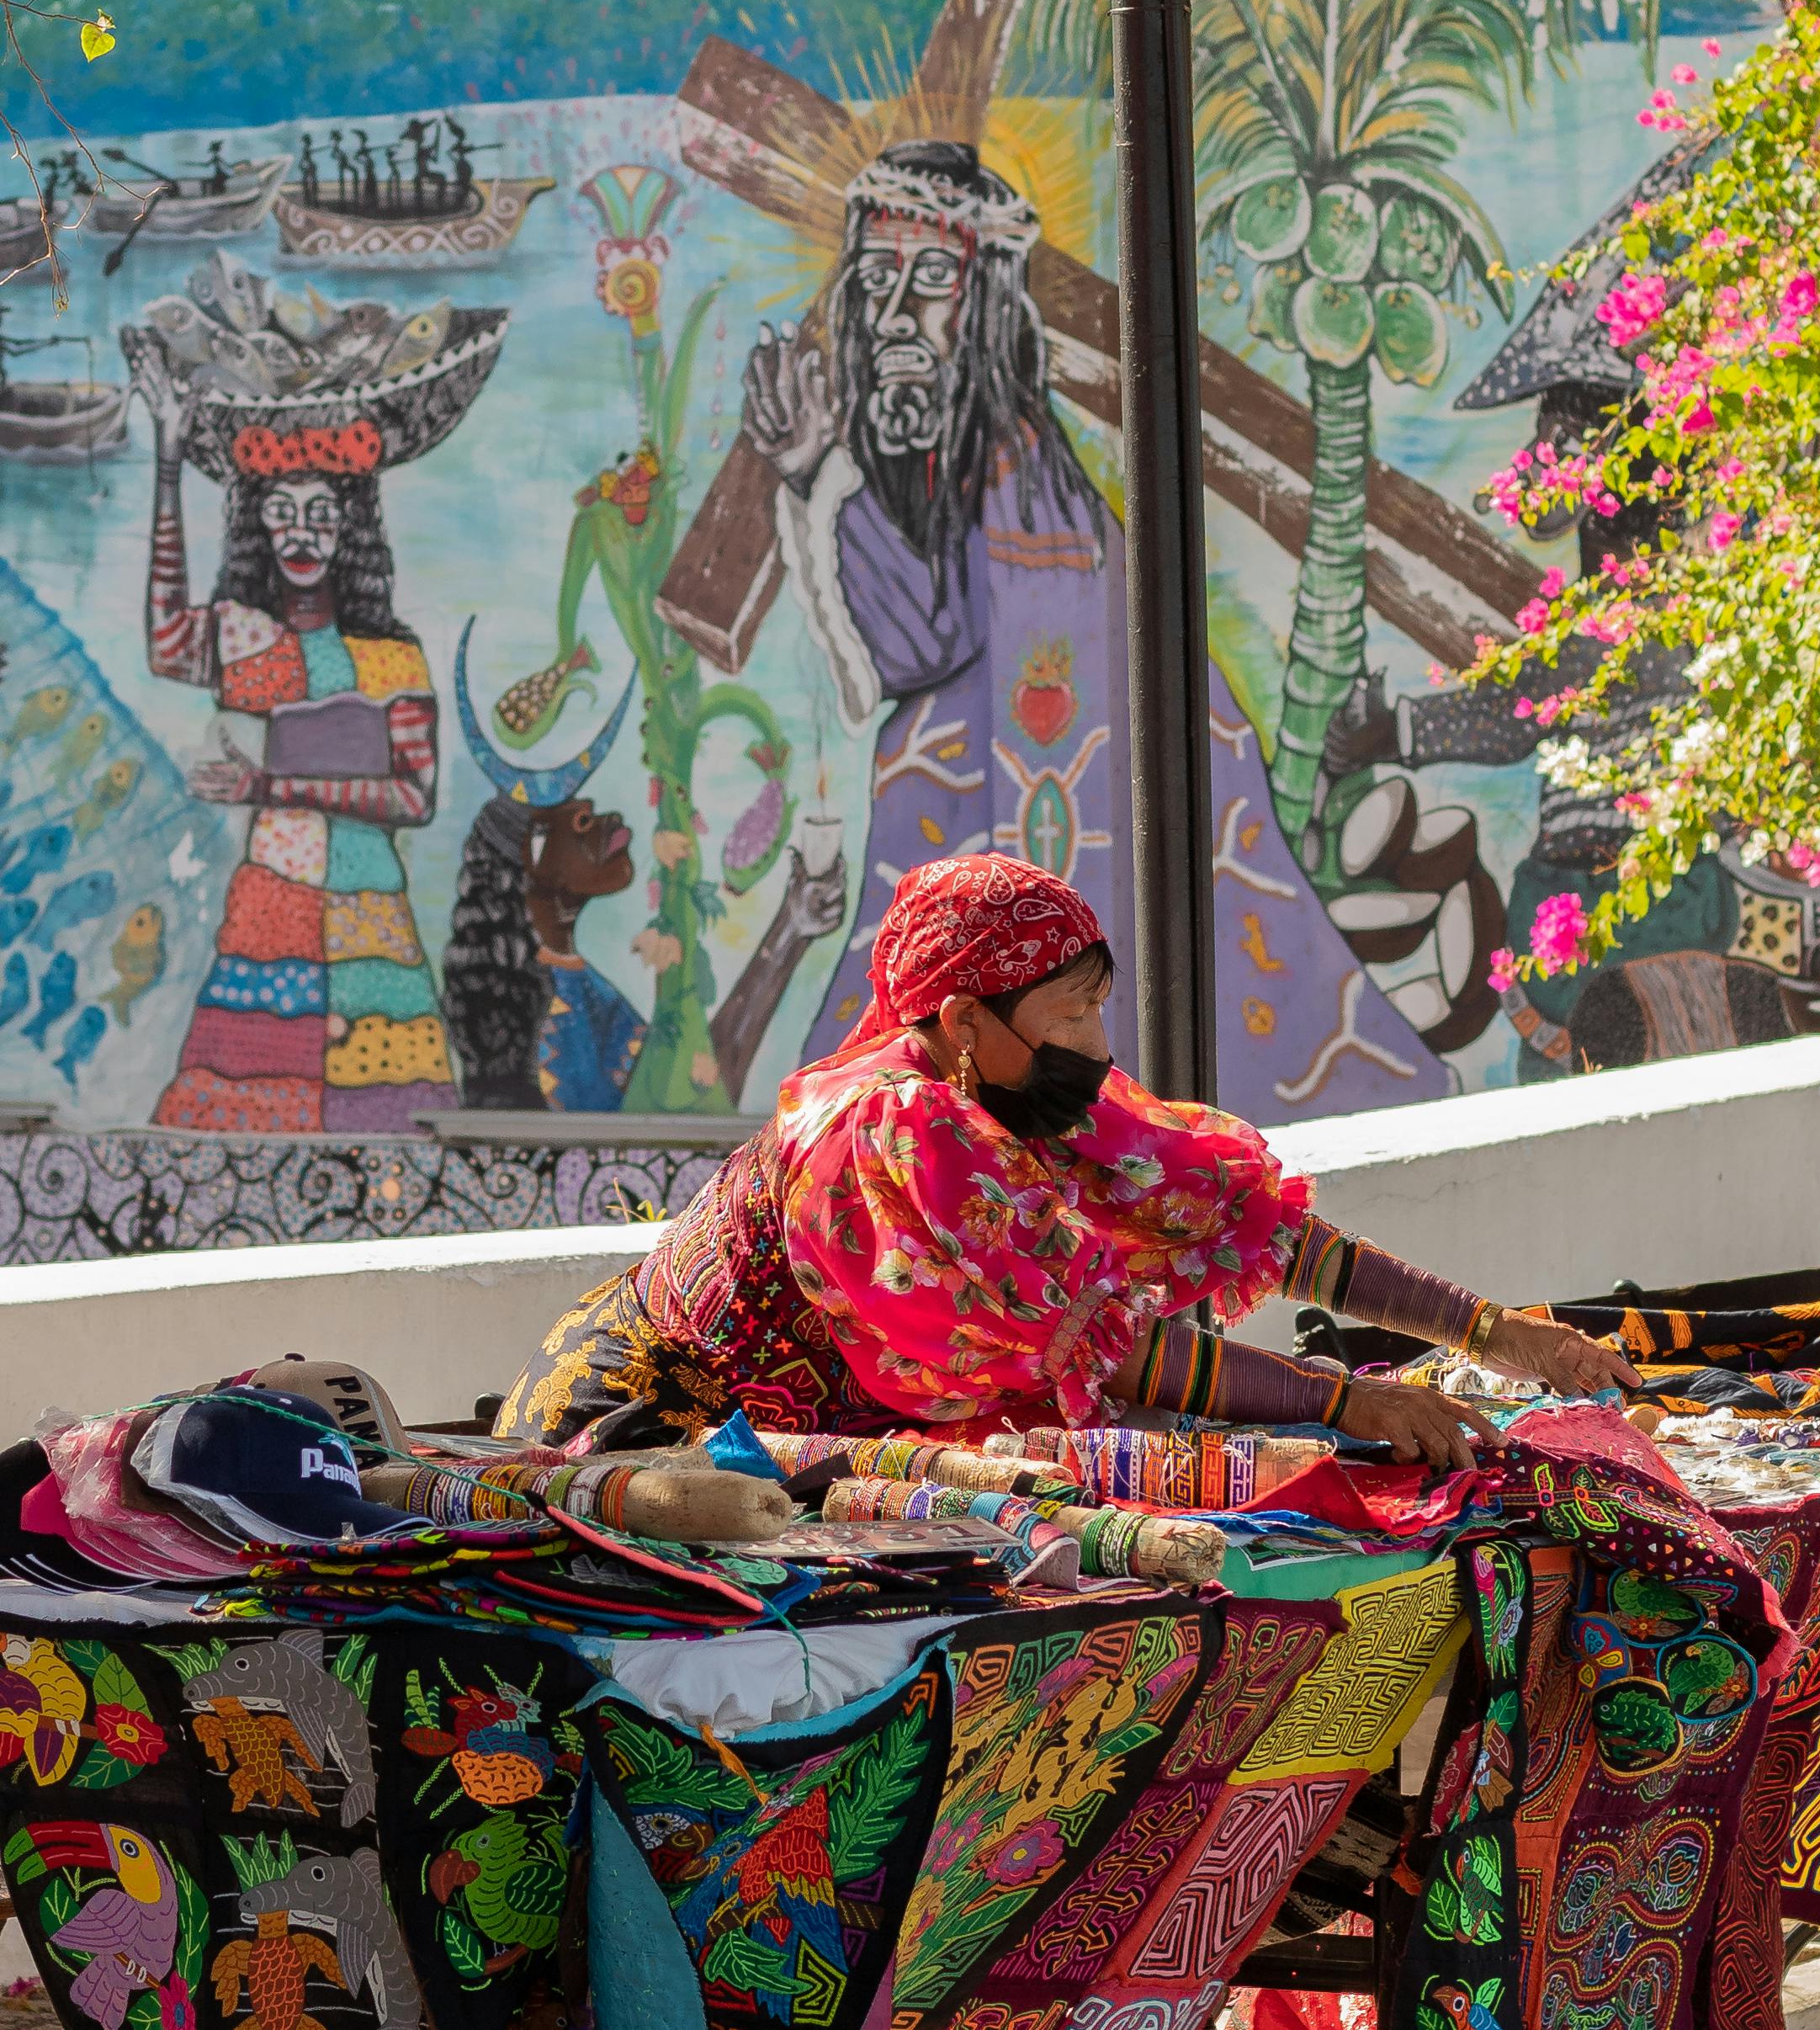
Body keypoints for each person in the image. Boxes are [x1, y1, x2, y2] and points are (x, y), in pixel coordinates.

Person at [499, 853, 1634, 1464]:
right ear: (959, 1016)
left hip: (796, 1456)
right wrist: (1351, 1404)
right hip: (642, 1452)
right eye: (1072, 1012)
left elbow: (1240, 1221)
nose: (1098, 1045)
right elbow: (1105, 1342)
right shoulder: (888, 1133)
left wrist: (1494, 1333)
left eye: (1095, 1008)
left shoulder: (1017, 1076)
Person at [730, 139, 1427, 1128]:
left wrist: (811, 470)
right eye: (876, 278)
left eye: (931, 277)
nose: (896, 314)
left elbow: (919, 647)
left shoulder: (1017, 472)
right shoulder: (943, 450)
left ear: (983, 306)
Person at [127, 353, 454, 1134]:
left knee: (381, 1112)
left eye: (320, 514)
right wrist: (168, 463)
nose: (300, 534)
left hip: (368, 911)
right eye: (281, 512)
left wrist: (268, 788)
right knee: (246, 1096)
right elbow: (168, 639)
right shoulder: (246, 636)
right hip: (272, 900)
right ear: (255, 523)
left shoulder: (392, 656)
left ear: (350, 530)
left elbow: (414, 795)